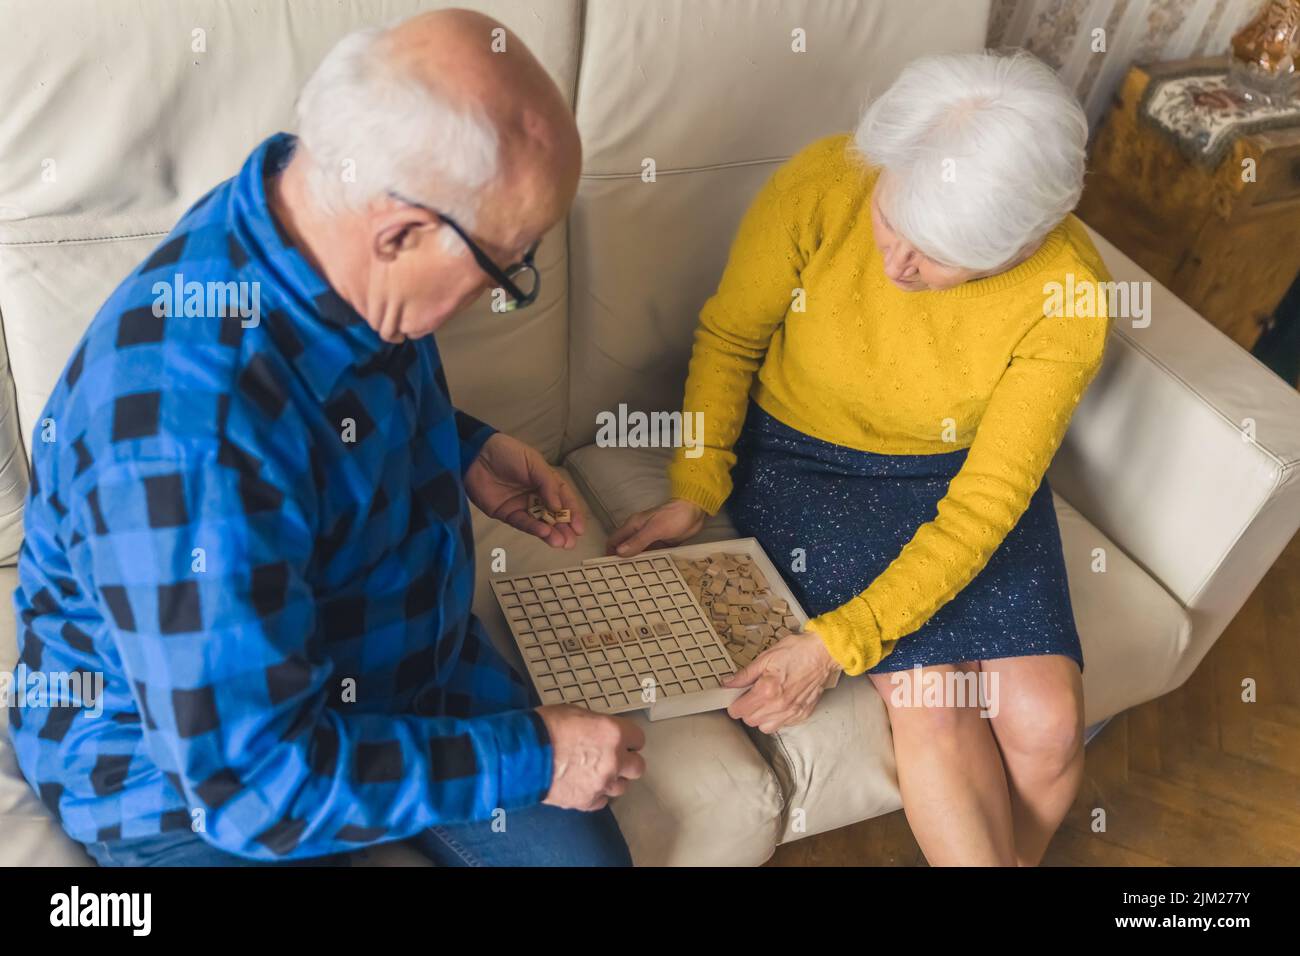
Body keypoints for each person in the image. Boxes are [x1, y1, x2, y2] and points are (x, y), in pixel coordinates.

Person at [10, 9, 643, 867]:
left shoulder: (310, 209)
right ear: (399, 233)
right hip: (197, 785)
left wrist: (457, 449)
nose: (507, 289)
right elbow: (257, 794)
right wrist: (537, 756)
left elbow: (312, 430)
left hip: (406, 673)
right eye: (508, 266)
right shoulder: (190, 439)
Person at [608, 50, 1113, 866]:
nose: (896, 267)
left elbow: (986, 503)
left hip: (962, 483)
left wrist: (838, 643)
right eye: (893, 224)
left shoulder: (1069, 294)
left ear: (1023, 243)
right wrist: (697, 484)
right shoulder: (825, 183)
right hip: (811, 464)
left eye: (940, 257)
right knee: (934, 700)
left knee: (1049, 724)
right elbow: (732, 338)